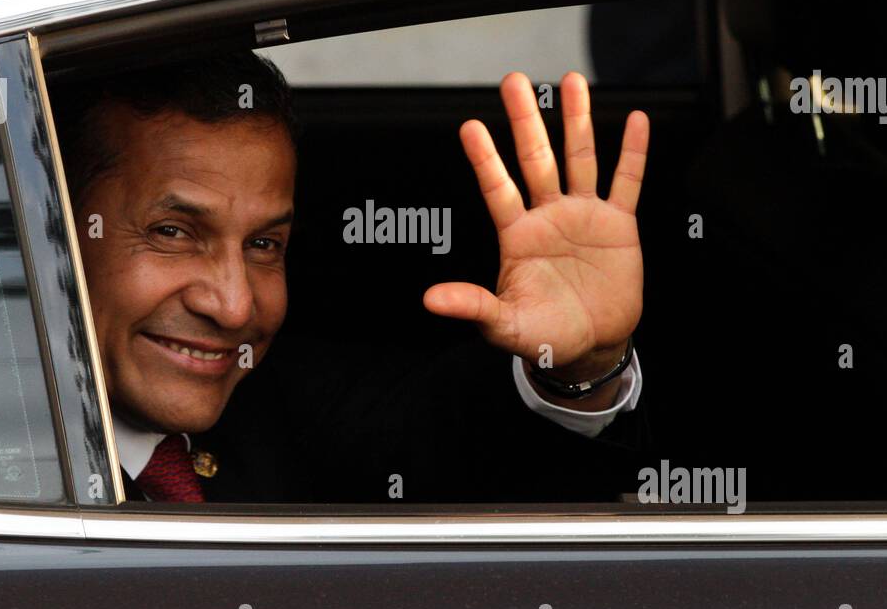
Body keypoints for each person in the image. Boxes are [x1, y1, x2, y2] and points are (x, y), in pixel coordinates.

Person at [60, 52, 652, 502]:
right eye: (172, 232)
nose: (234, 306)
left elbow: (460, 443)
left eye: (264, 244)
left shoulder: (279, 411)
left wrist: (578, 366)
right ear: (57, 225)